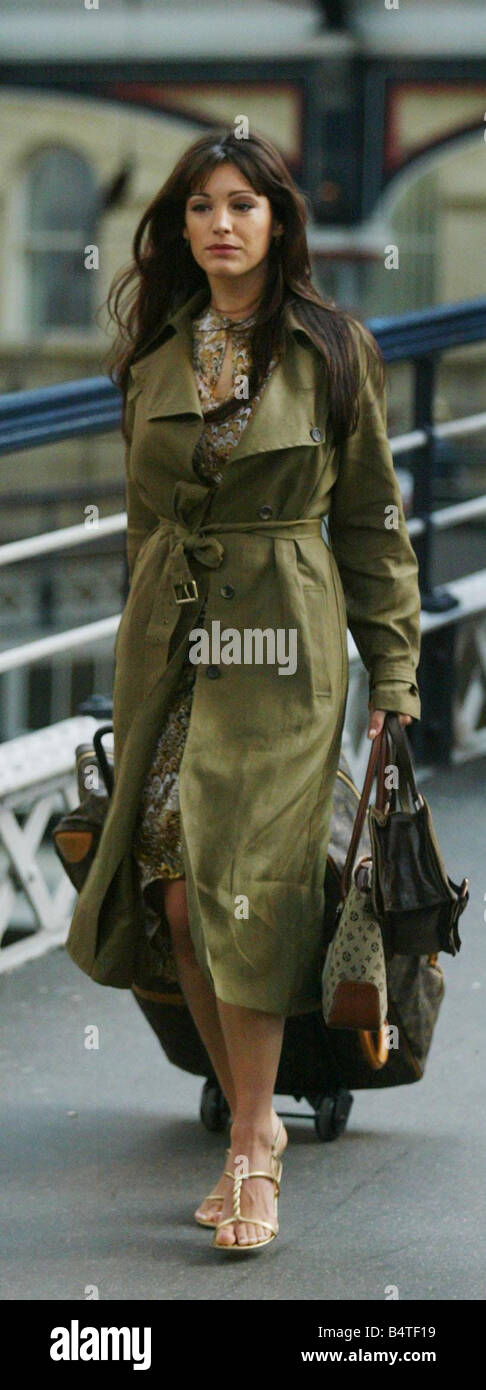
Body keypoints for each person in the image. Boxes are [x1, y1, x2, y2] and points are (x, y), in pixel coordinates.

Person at [66, 128, 421, 1254]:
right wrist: (137, 651)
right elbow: (142, 524)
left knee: (246, 891)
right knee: (176, 899)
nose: (223, 223)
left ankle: (249, 1141)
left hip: (285, 645)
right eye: (203, 207)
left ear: (278, 222)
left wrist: (395, 671)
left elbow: (371, 518)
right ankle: (256, 1126)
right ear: (181, 228)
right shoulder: (154, 354)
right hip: (173, 649)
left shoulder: (333, 349)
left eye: (245, 205)